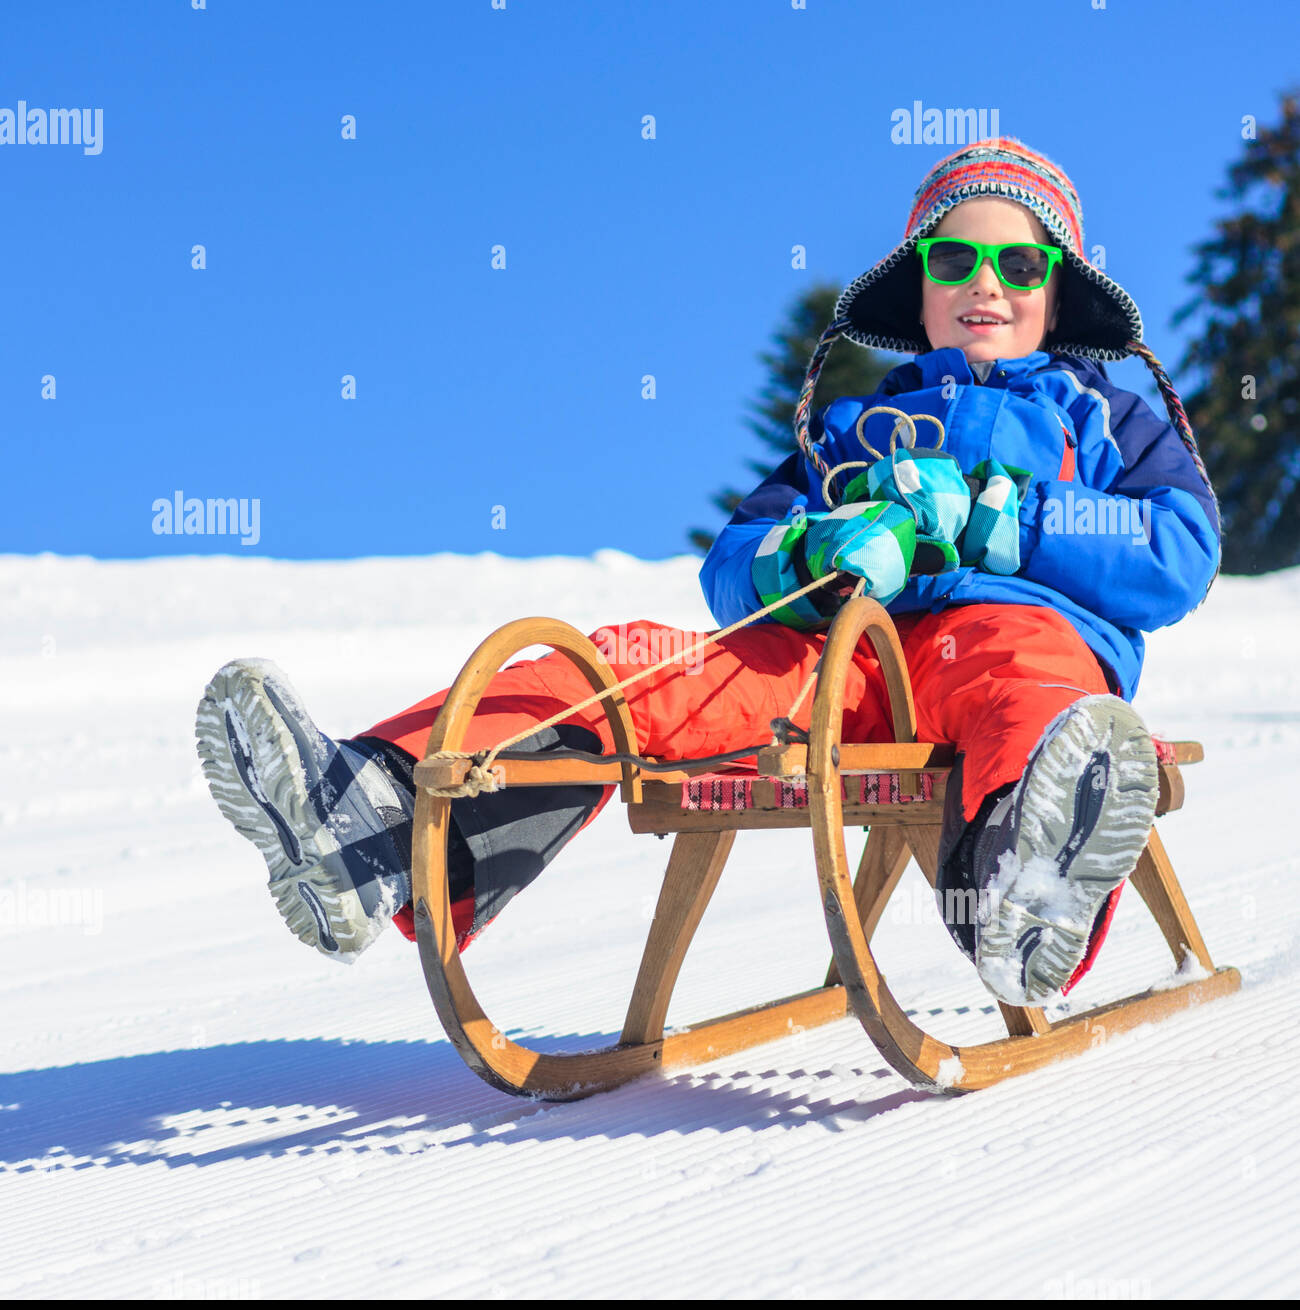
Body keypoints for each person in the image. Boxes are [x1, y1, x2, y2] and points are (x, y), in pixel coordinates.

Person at [195, 137, 1220, 1007]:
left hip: (1008, 640)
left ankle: (1023, 886)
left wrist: (1006, 519)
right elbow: (733, 564)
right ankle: (369, 821)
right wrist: (814, 553)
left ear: (1058, 287)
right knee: (644, 667)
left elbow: (1179, 548)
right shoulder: (856, 428)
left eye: (1019, 265)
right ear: (920, 287)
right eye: (953, 260)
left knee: (1028, 687)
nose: (984, 284)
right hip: (843, 666)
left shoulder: (1106, 418)